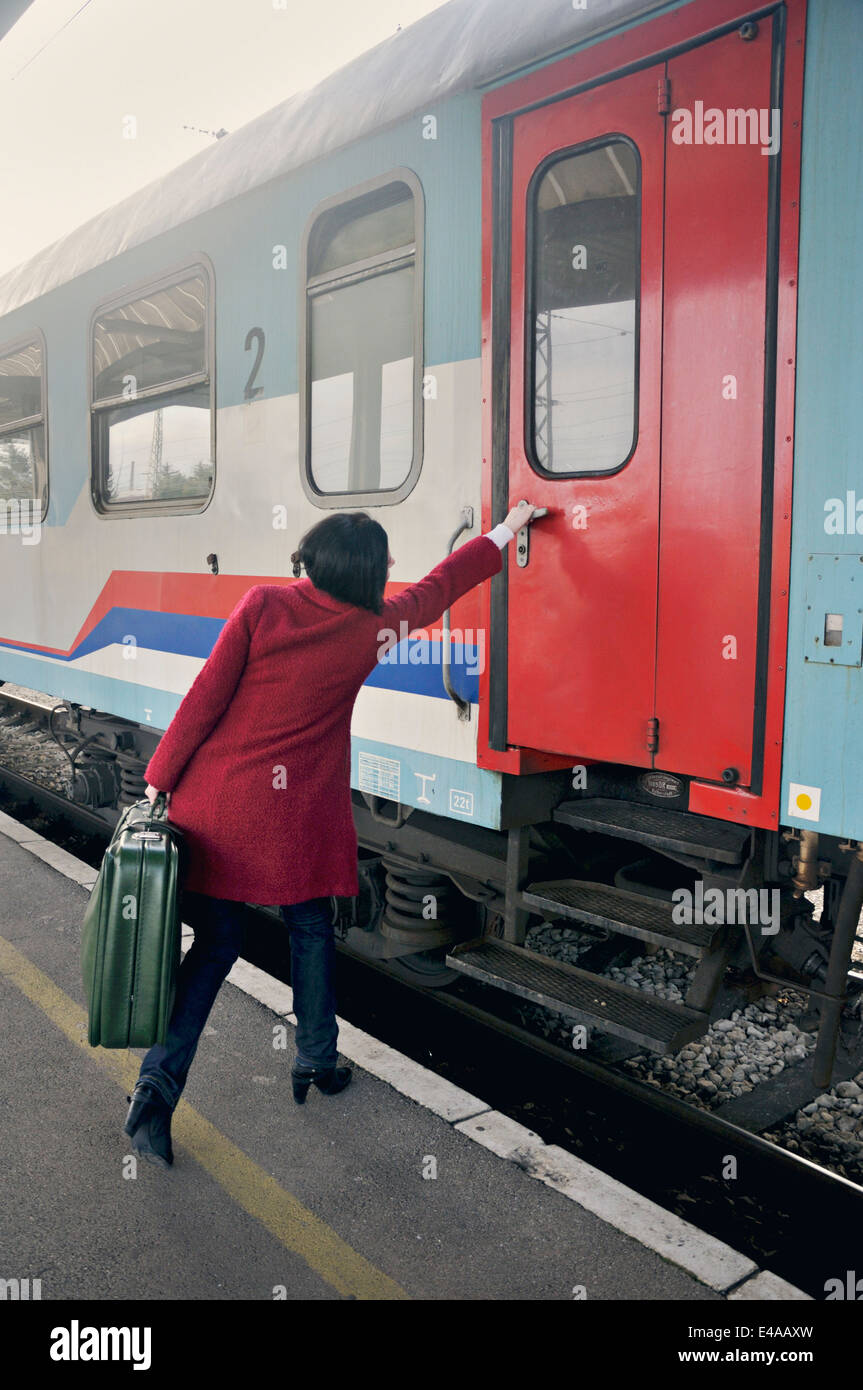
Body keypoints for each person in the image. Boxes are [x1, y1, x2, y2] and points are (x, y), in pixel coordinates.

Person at [123, 500, 540, 1167]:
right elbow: (443, 585)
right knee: (311, 929)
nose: (394, 563)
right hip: (293, 823)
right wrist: (507, 529)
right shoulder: (372, 627)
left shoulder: (262, 605)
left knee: (216, 947)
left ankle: (156, 1090)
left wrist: (158, 778)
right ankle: (316, 1060)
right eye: (385, 558)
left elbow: (205, 696)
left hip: (217, 807)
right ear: (365, 573)